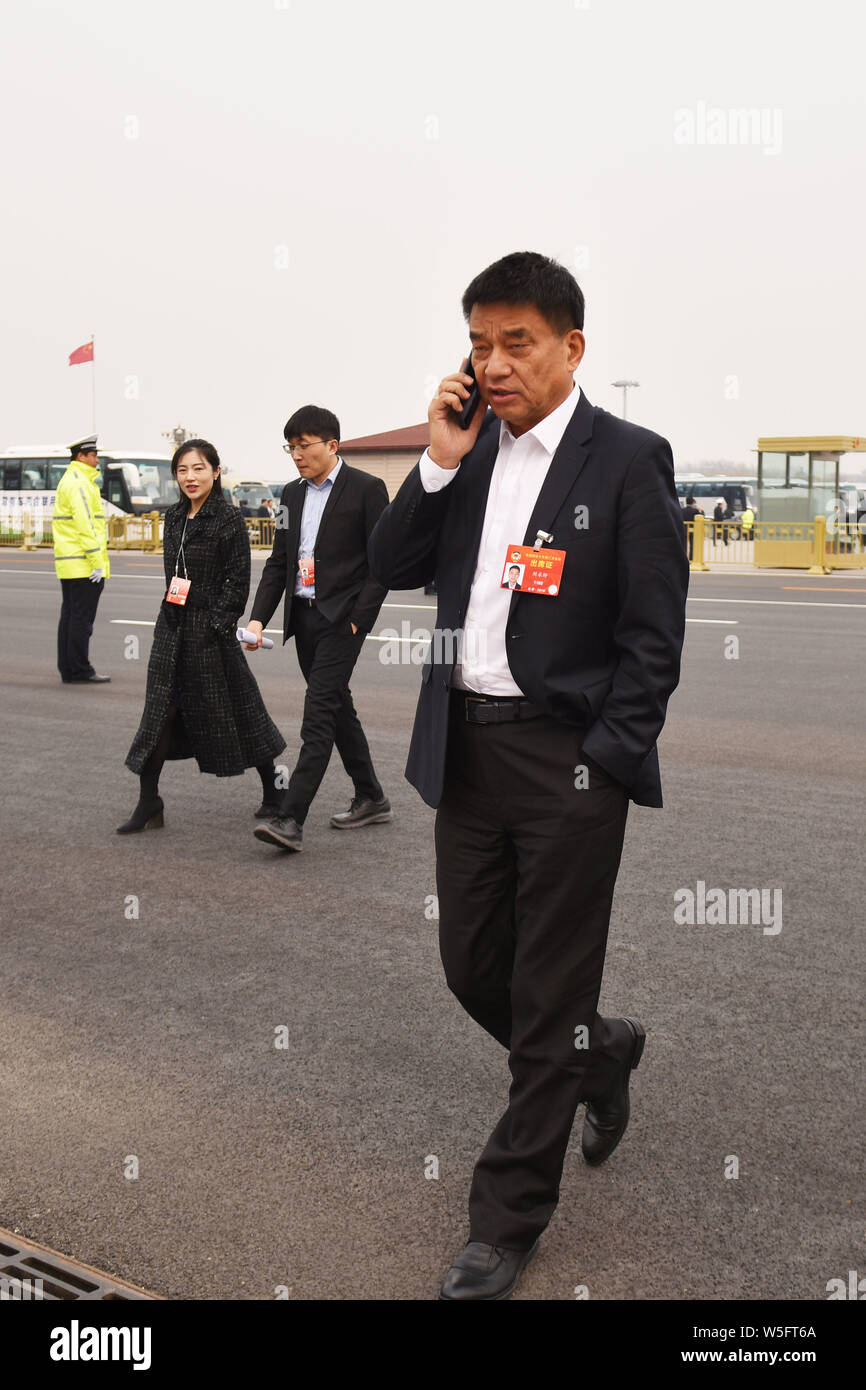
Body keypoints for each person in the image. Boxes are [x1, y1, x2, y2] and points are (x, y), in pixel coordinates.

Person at [368, 251, 689, 1300]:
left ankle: (504, 1219)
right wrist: (435, 459)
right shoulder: (467, 453)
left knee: (546, 992)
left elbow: (651, 638)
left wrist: (604, 757)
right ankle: (601, 1052)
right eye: (477, 343)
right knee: (472, 966)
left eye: (515, 342)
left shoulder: (624, 459)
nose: (493, 364)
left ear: (569, 347)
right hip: (465, 746)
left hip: (567, 764)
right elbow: (390, 566)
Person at [244, 405, 391, 854]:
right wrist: (256, 619)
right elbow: (280, 562)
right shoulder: (290, 495)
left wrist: (357, 619)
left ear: (332, 444)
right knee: (337, 706)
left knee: (319, 713)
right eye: (290, 446)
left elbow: (381, 565)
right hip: (304, 618)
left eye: (303, 445)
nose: (295, 454)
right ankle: (371, 796)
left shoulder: (368, 490)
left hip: (342, 621)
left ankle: (291, 818)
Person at [119, 439, 285, 833]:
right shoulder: (174, 516)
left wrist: (216, 625)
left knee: (242, 714)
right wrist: (173, 611)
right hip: (172, 632)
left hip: (210, 635)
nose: (190, 477)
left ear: (215, 471)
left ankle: (275, 791)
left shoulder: (227, 520)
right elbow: (170, 576)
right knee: (159, 714)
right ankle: (149, 802)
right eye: (182, 470)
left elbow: (237, 585)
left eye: (198, 469)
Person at [53, 434, 111, 683]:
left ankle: (68, 668)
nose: (97, 459)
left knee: (69, 617)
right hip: (84, 565)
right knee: (81, 621)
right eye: (94, 455)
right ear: (82, 456)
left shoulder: (70, 479)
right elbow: (85, 525)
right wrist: (97, 562)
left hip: (70, 563)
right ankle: (79, 669)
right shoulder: (80, 484)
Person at [680, 494, 703, 561]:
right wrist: (701, 511)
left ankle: (683, 558)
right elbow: (701, 517)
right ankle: (691, 558)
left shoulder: (682, 510)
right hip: (693, 530)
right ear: (693, 502)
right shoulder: (695, 510)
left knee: (684, 545)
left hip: (684, 529)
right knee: (692, 545)